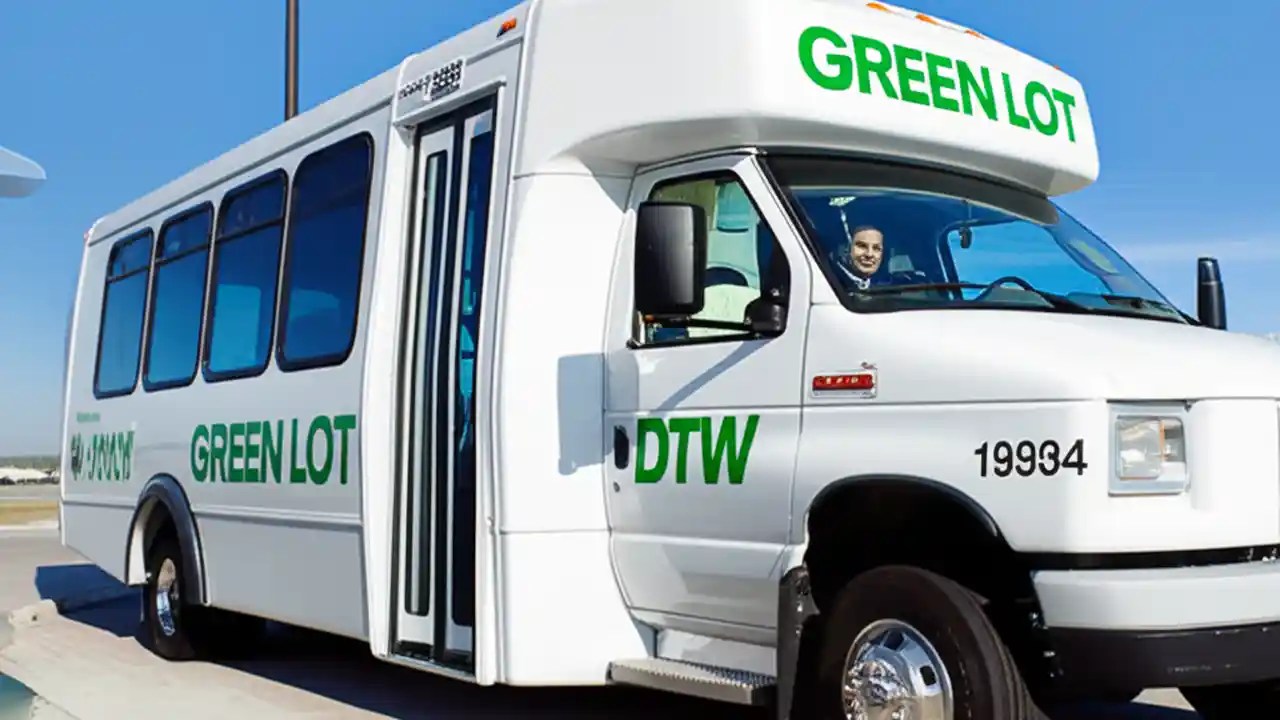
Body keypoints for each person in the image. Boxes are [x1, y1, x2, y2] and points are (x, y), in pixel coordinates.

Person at [833, 225, 885, 290]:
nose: (869, 254)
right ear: (845, 248)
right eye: (862, 246)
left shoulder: (886, 286)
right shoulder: (828, 280)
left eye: (876, 248)